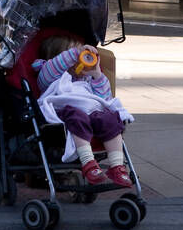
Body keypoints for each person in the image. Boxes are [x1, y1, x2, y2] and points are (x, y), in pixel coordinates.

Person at [33, 34, 134, 187]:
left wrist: (97, 75)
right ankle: (88, 164)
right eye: (74, 55)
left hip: (92, 112)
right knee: (77, 116)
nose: (80, 58)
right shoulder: (50, 75)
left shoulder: (86, 79)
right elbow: (54, 68)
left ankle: (117, 166)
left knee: (111, 118)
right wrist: (74, 54)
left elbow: (104, 98)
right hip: (65, 111)